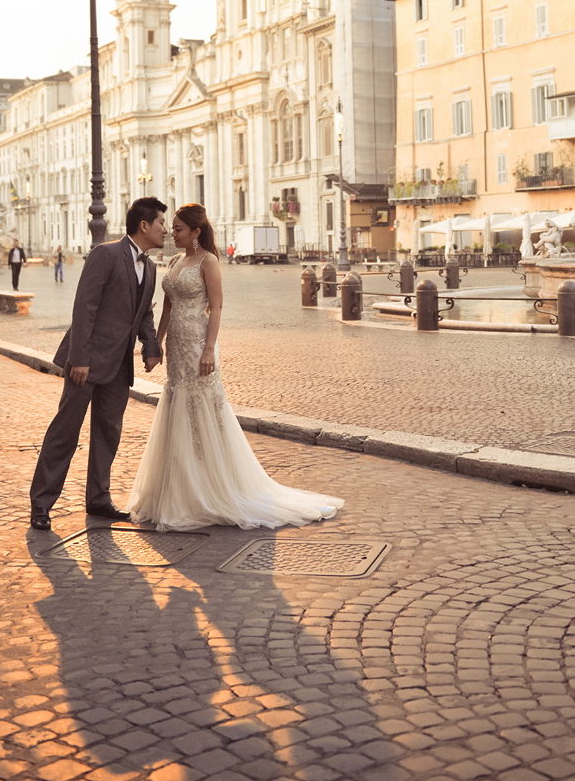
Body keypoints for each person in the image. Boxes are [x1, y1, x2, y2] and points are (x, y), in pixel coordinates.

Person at [127, 203, 343, 531]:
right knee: (177, 402)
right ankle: (180, 486)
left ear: (196, 232)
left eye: (179, 229)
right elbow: (168, 307)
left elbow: (216, 307)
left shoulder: (208, 261)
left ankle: (210, 486)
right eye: (171, 227)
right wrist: (155, 343)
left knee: (201, 409)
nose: (172, 232)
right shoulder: (173, 261)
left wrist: (210, 349)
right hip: (176, 346)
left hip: (199, 342)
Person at [29, 197, 167, 531]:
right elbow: (84, 307)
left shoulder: (149, 267)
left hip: (119, 366)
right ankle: (41, 504)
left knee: (108, 433)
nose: (166, 229)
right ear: (144, 225)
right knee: (65, 432)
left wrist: (150, 345)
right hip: (86, 363)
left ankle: (98, 498)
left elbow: (144, 312)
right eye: (162, 222)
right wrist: (79, 358)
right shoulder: (105, 254)